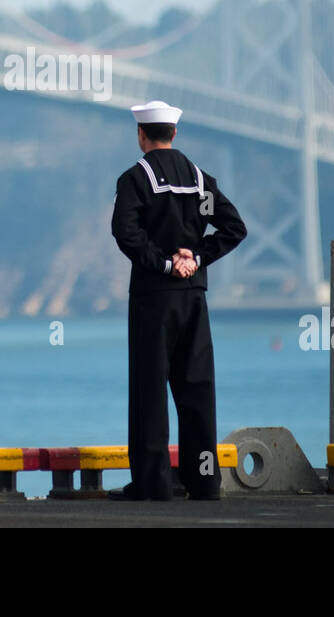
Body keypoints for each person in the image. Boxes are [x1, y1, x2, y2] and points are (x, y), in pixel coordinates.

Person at [109, 99, 247, 501]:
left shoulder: (136, 179)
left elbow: (126, 233)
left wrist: (165, 264)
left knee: (150, 391)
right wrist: (197, 256)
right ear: (174, 133)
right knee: (197, 390)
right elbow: (234, 227)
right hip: (194, 298)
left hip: (155, 298)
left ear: (141, 134)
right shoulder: (201, 181)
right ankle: (204, 480)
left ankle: (153, 485)